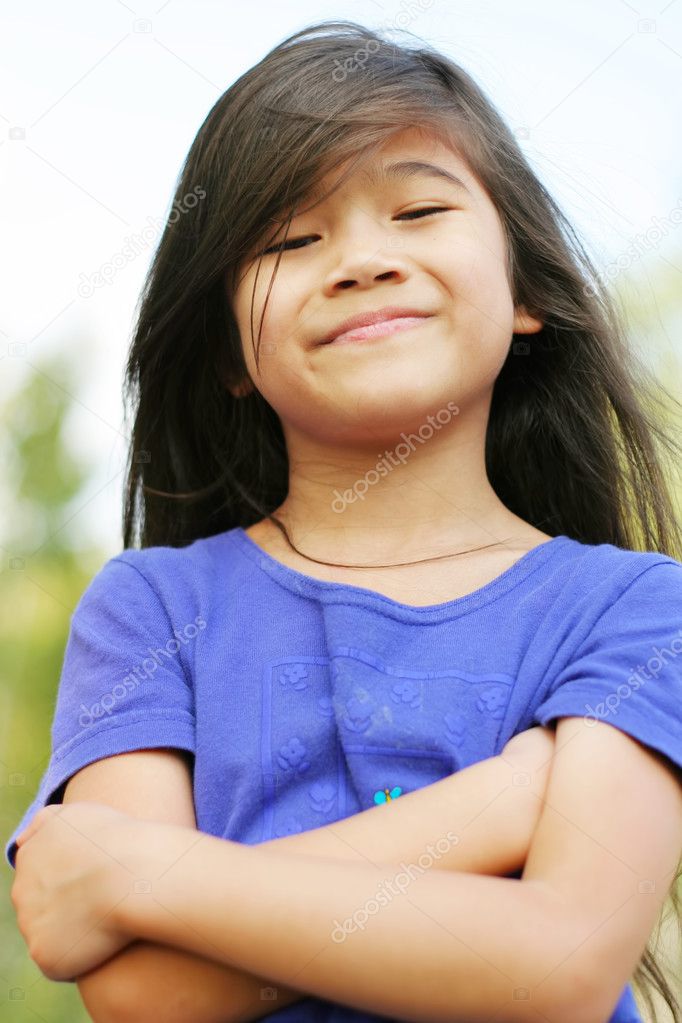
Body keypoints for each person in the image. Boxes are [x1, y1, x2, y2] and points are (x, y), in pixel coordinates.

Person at [7, 18, 682, 1023]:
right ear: (231, 352)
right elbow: (145, 997)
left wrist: (138, 876)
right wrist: (498, 808)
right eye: (289, 238)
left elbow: (559, 965)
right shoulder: (149, 610)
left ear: (527, 291)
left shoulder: (636, 610)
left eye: (417, 208)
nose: (361, 260)